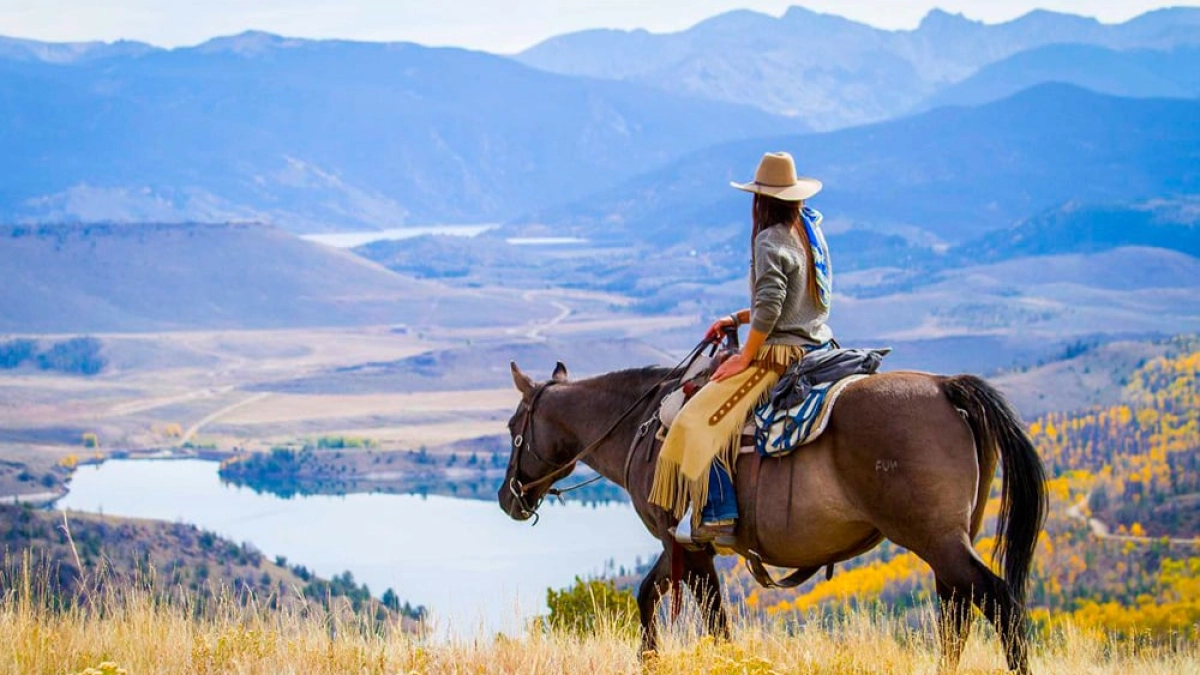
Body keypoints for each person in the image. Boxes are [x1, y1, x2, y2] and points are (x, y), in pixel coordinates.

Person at [649, 151, 835, 546]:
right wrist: (737, 319)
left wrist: (744, 356)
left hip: (780, 356)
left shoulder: (769, 239)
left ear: (760, 200)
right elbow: (790, 301)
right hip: (818, 343)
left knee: (695, 420)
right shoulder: (809, 230)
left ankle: (717, 514)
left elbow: (770, 305)